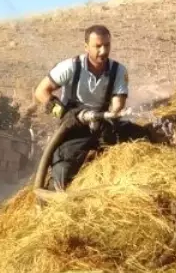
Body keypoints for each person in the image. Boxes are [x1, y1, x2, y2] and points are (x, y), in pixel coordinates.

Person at [33, 24, 153, 190]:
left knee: (146, 140)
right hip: (73, 128)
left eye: (107, 45)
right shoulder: (70, 67)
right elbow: (40, 91)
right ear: (86, 47)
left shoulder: (118, 70)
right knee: (62, 173)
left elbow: (118, 104)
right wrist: (62, 112)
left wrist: (112, 114)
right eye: (98, 46)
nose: (103, 51)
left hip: (103, 123)